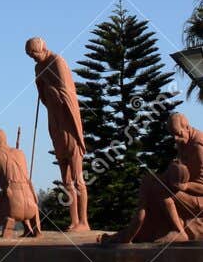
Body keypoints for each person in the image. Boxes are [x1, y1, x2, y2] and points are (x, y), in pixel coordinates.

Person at [101, 113, 203, 245]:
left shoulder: (198, 147)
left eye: (178, 134)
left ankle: (178, 231)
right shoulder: (184, 142)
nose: (175, 139)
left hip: (199, 200)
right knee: (152, 183)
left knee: (161, 190)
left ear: (187, 128)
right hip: (187, 193)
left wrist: (185, 186)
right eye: (172, 135)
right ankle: (131, 233)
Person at [25, 38, 89, 231]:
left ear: (43, 49)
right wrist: (41, 85)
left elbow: (67, 92)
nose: (33, 59)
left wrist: (49, 87)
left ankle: (84, 221)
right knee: (66, 179)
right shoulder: (38, 68)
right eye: (30, 56)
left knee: (78, 178)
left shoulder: (57, 61)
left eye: (34, 54)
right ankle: (74, 220)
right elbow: (45, 97)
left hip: (68, 124)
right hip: (55, 123)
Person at [0, 128, 41, 238]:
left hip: (12, 209)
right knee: (14, 195)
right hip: (32, 208)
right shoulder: (20, 153)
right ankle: (30, 228)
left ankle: (9, 228)